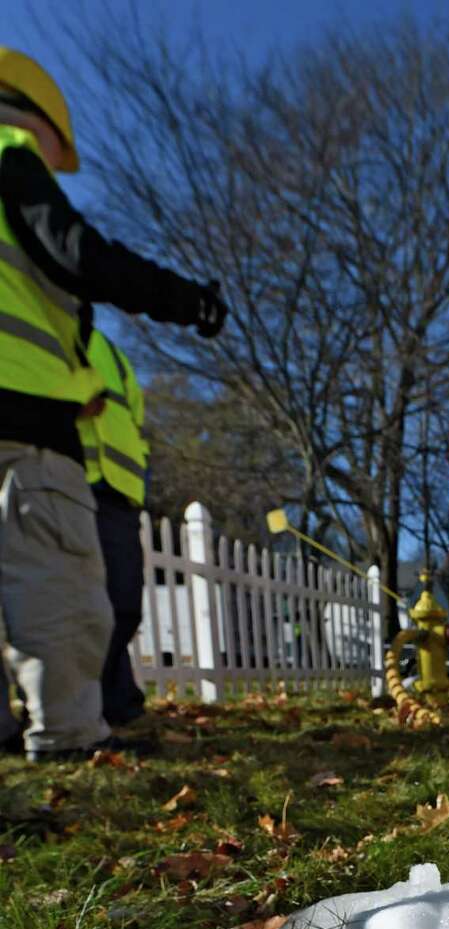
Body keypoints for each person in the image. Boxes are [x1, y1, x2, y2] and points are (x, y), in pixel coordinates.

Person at [0, 48, 227, 760]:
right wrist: (185, 299)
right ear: (28, 116)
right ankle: (68, 736)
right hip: (24, 423)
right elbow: (76, 252)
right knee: (60, 593)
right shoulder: (9, 155)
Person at [79, 326, 148, 729]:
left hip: (119, 491)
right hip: (72, 478)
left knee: (122, 605)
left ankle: (114, 697)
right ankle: (96, 703)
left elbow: (133, 421)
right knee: (78, 606)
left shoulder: (111, 351)